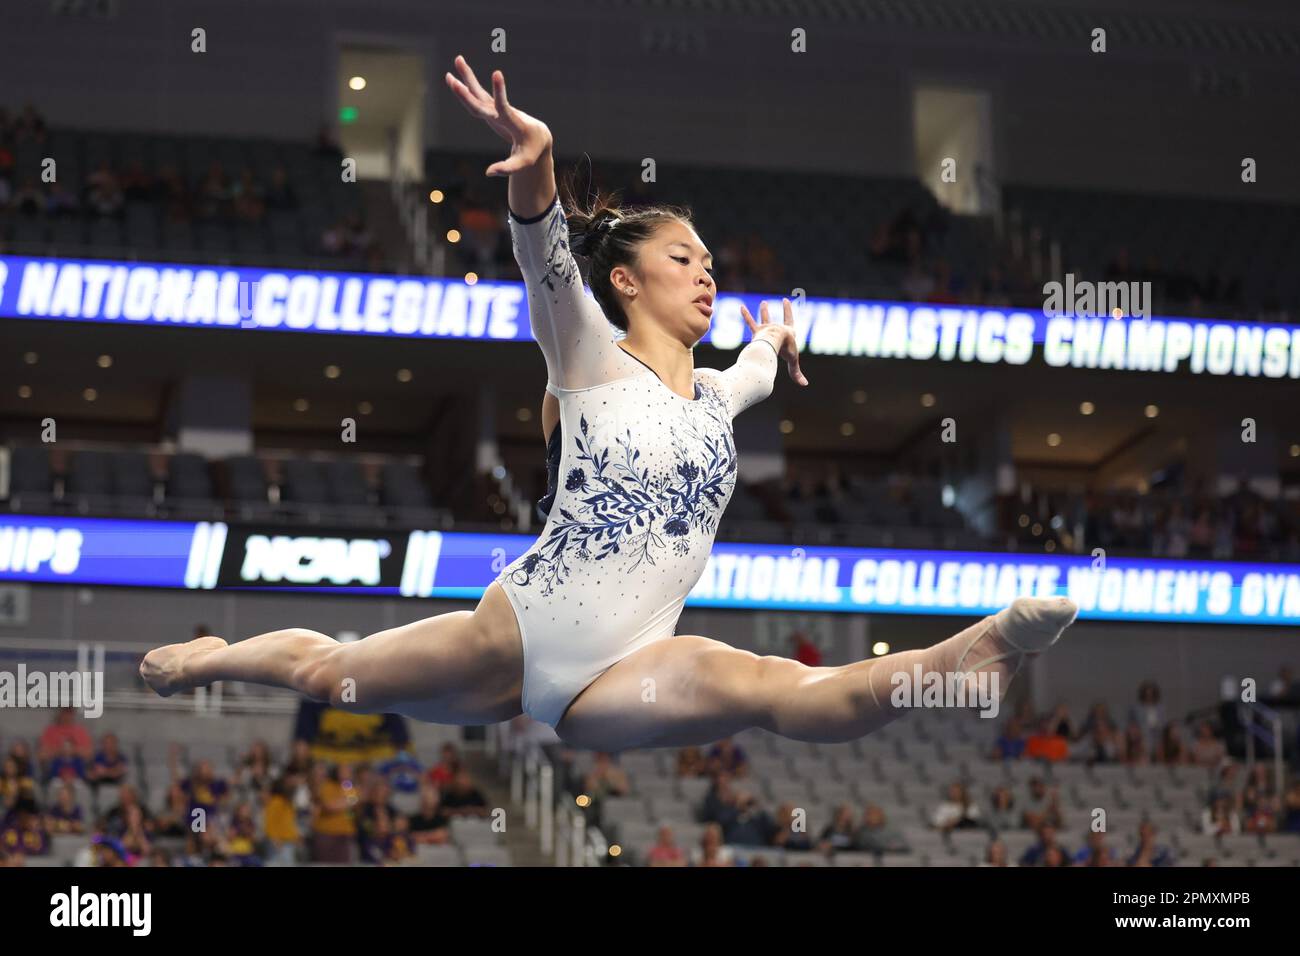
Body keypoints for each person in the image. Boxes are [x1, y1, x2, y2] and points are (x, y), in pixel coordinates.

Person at [139, 55, 1078, 756]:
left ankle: (972, 652)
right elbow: (543, 255)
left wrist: (777, 341)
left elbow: (751, 366)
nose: (707, 276)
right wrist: (537, 163)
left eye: (713, 265)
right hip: (520, 633)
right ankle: (216, 654)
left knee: (779, 691)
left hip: (630, 668)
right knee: (324, 671)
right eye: (685, 262)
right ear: (625, 281)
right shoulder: (589, 358)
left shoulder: (715, 397)